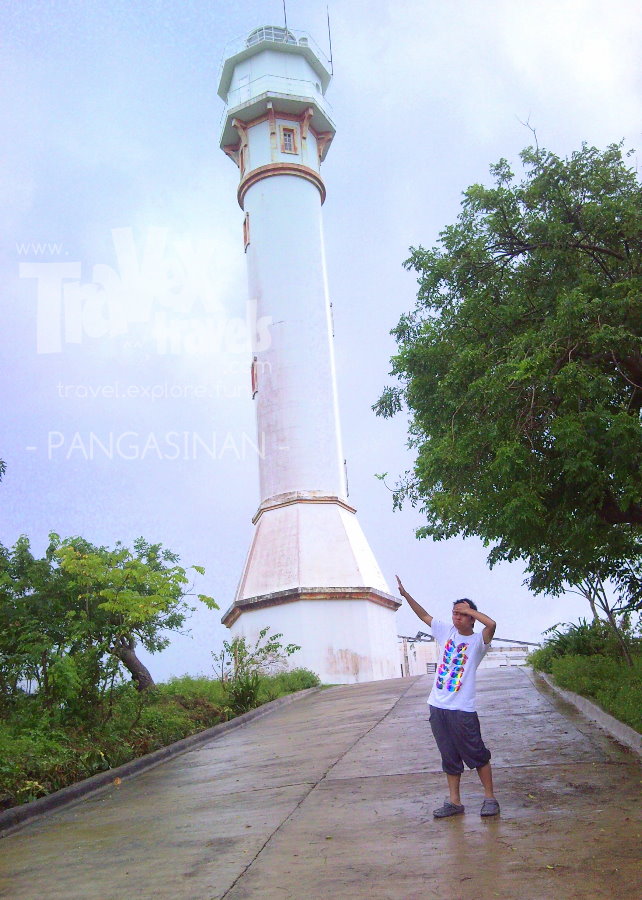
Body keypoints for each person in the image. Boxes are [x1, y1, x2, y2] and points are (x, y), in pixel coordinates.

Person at [396, 575, 500, 818]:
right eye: (455, 612)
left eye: (462, 614)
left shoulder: (478, 641)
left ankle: (490, 798)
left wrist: (473, 611)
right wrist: (406, 595)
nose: (457, 617)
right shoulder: (446, 631)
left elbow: (492, 625)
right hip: (438, 707)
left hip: (463, 709)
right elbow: (423, 616)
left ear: (472, 617)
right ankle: (454, 802)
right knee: (449, 756)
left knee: (477, 753)